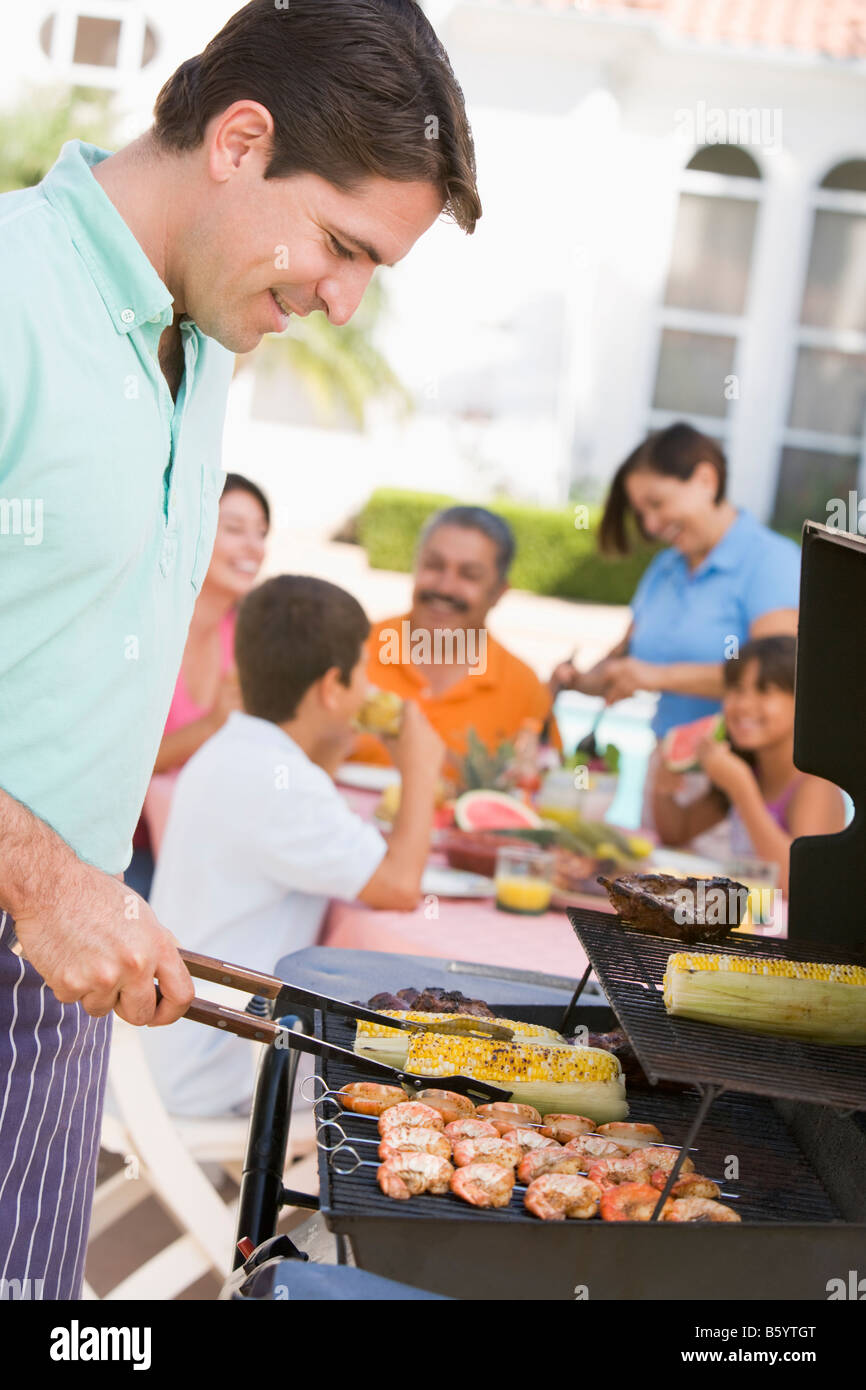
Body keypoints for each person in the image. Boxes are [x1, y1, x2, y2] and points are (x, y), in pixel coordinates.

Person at [0, 0, 480, 1298]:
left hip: (58, 970)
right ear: (238, 140)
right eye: (340, 245)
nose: (340, 299)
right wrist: (42, 877)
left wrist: (70, 890)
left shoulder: (204, 336)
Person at [140, 575, 444, 1116]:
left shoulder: (235, 749)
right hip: (218, 1075)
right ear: (332, 687)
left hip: (161, 1052)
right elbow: (398, 887)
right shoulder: (280, 782)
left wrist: (334, 737)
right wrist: (421, 768)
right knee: (427, 1063)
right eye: (363, 672)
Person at [551, 424, 800, 738]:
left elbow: (778, 678)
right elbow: (627, 657)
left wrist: (659, 677)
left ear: (706, 480)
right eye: (641, 514)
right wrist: (580, 680)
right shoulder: (666, 566)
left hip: (739, 777)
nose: (651, 525)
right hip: (667, 770)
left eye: (656, 504)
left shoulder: (771, 561)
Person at [125, 475, 270, 898]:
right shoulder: (145, 629)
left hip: (206, 849)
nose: (253, 547)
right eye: (235, 528)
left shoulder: (249, 639)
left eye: (261, 532)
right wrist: (211, 727)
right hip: (124, 857)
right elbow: (118, 765)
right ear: (195, 527)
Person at [351, 505, 561, 776]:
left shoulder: (526, 690)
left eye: (469, 575)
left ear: (499, 592)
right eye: (434, 566)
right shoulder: (351, 647)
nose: (445, 587)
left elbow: (547, 791)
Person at [651, 637, 846, 896]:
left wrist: (742, 789)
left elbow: (802, 886)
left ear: (804, 702)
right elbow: (677, 834)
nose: (743, 705)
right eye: (736, 689)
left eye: (763, 691)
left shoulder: (815, 785)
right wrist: (664, 786)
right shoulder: (749, 767)